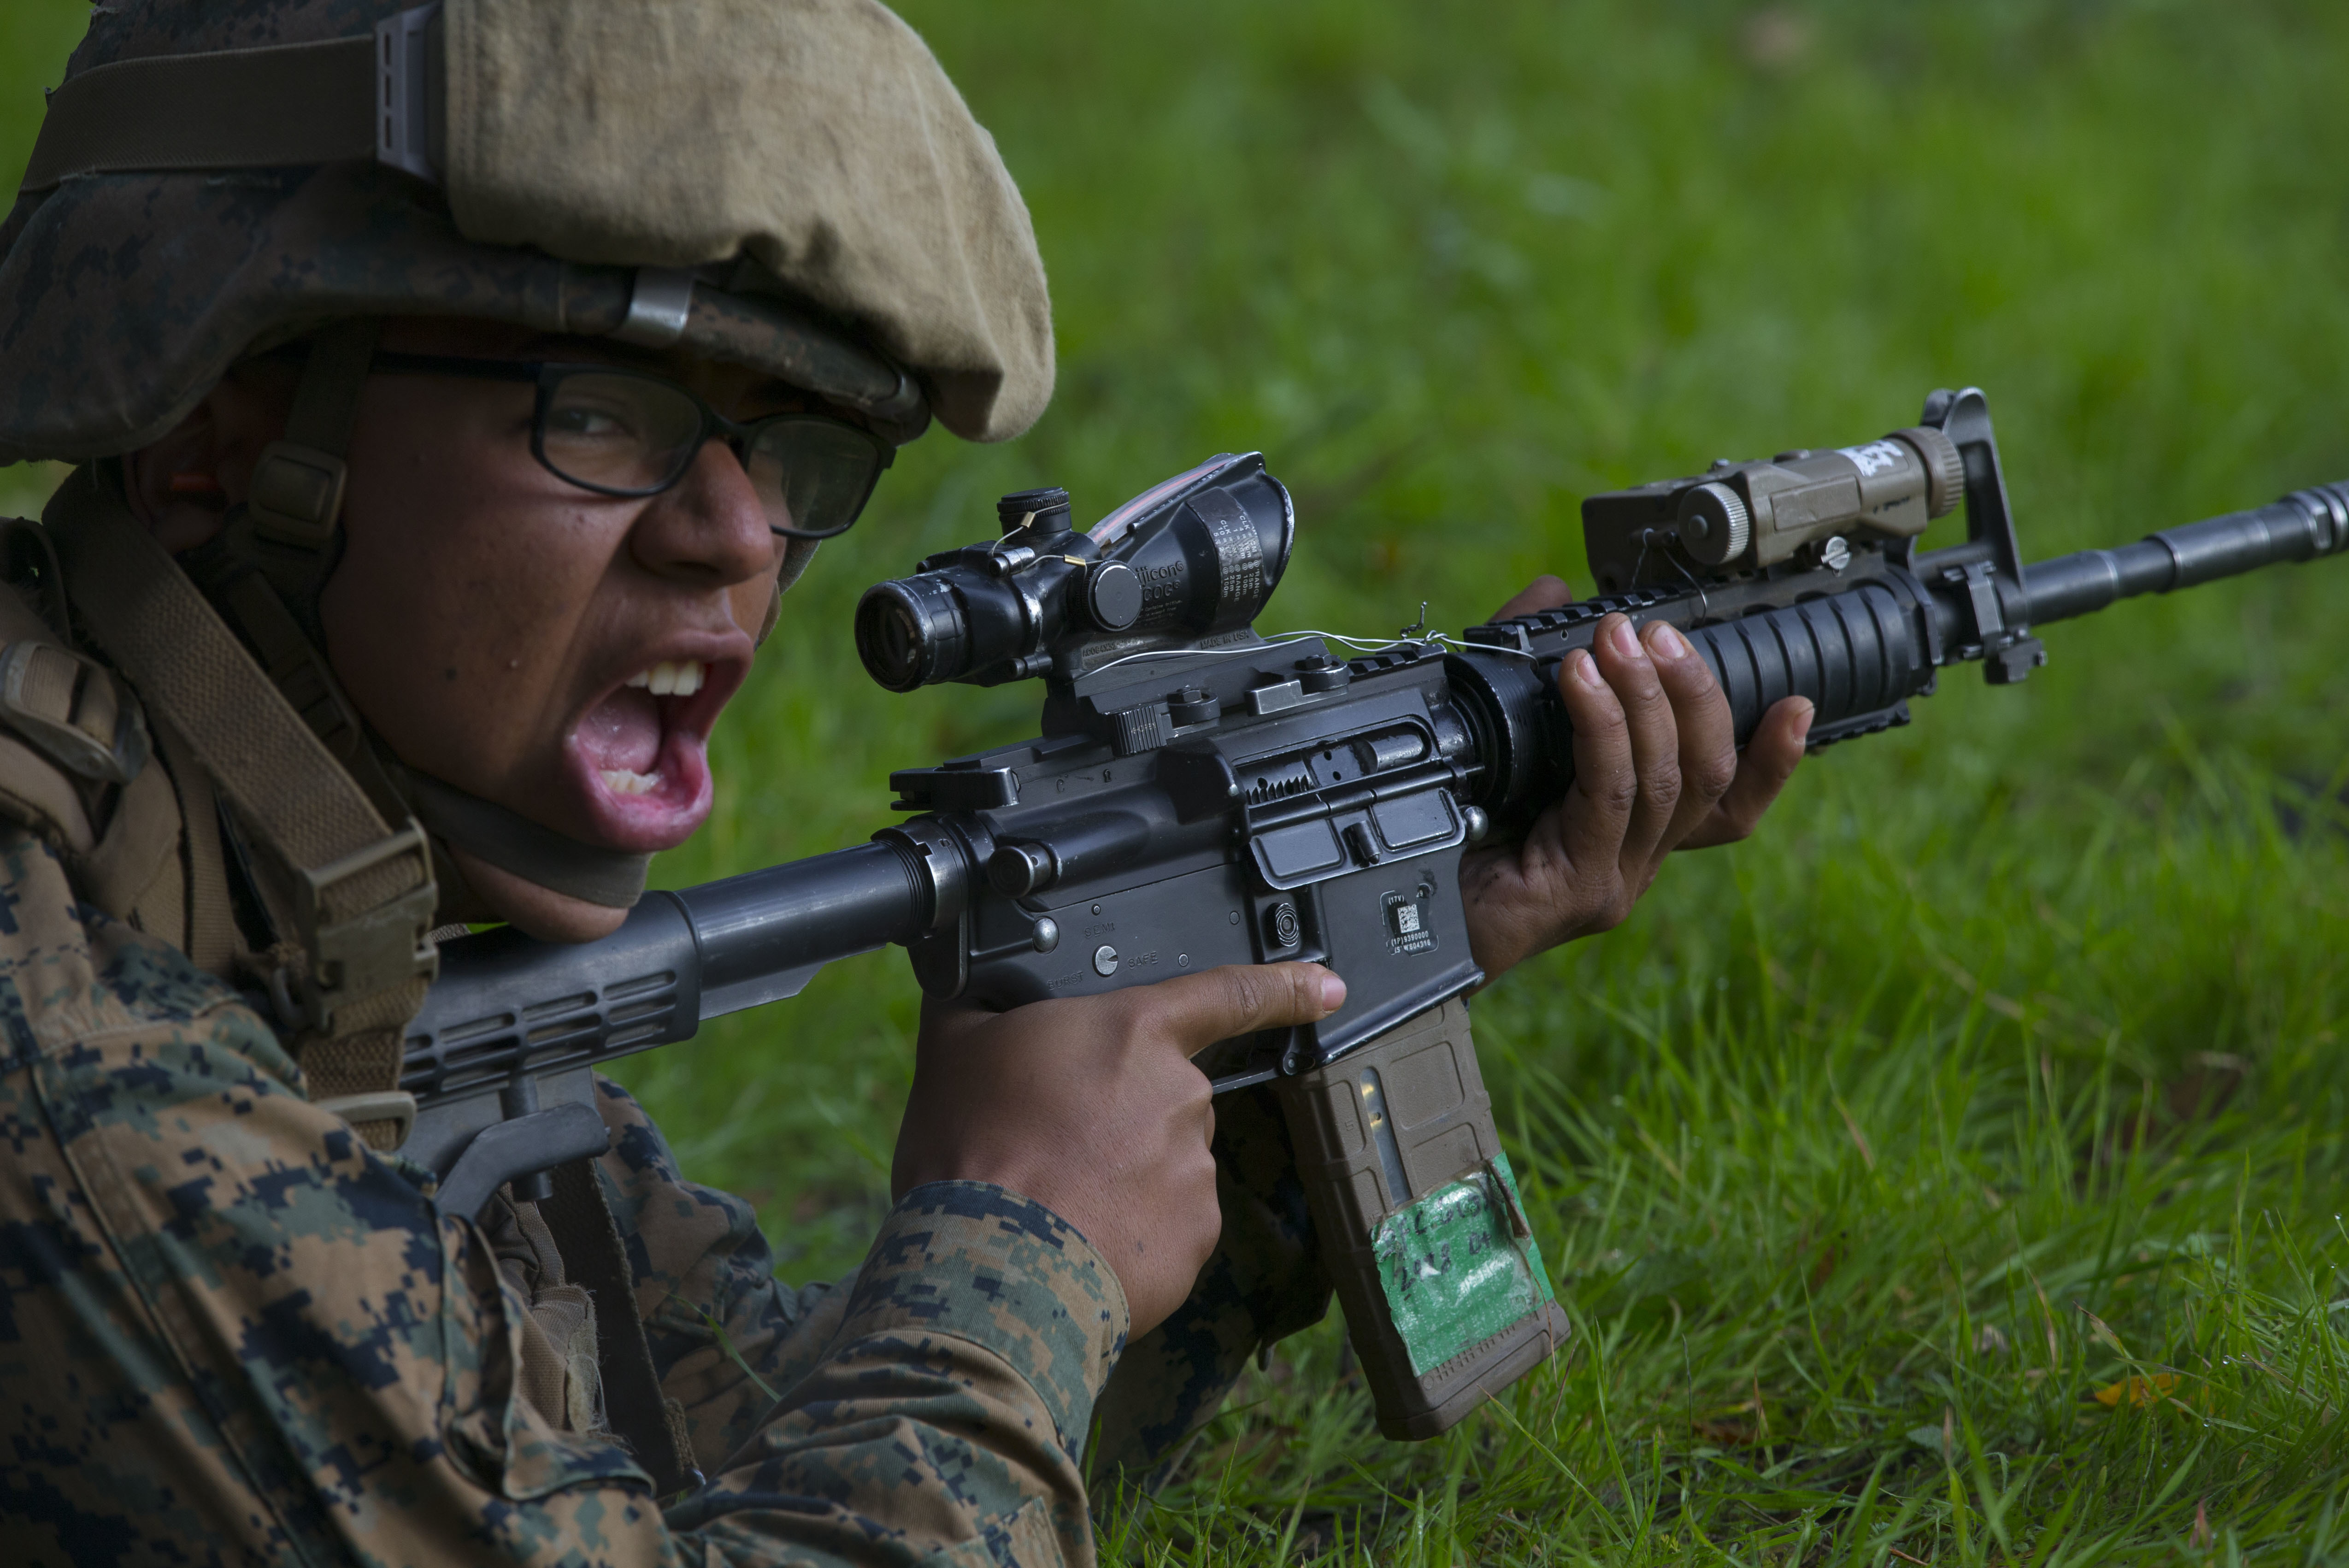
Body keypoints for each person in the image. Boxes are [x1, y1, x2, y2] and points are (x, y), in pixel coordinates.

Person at [0, 1, 1812, 1562]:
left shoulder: (292, 920)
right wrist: (1010, 1229)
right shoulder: (70, 1065)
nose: (733, 539)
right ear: (223, 433)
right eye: (601, 417)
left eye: (788, 447)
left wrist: (1273, 1032)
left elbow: (758, 1467)